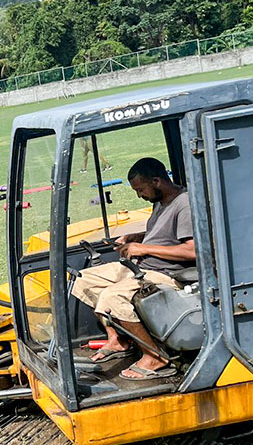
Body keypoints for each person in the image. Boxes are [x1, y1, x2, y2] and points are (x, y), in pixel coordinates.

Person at [70, 157, 195, 380]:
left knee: (112, 296)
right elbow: (165, 236)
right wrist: (135, 237)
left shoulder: (183, 203)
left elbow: (191, 251)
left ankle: (155, 356)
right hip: (142, 265)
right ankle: (118, 340)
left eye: (141, 189)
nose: (139, 195)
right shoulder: (160, 201)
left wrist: (142, 247)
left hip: (167, 273)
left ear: (157, 181)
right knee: (81, 279)